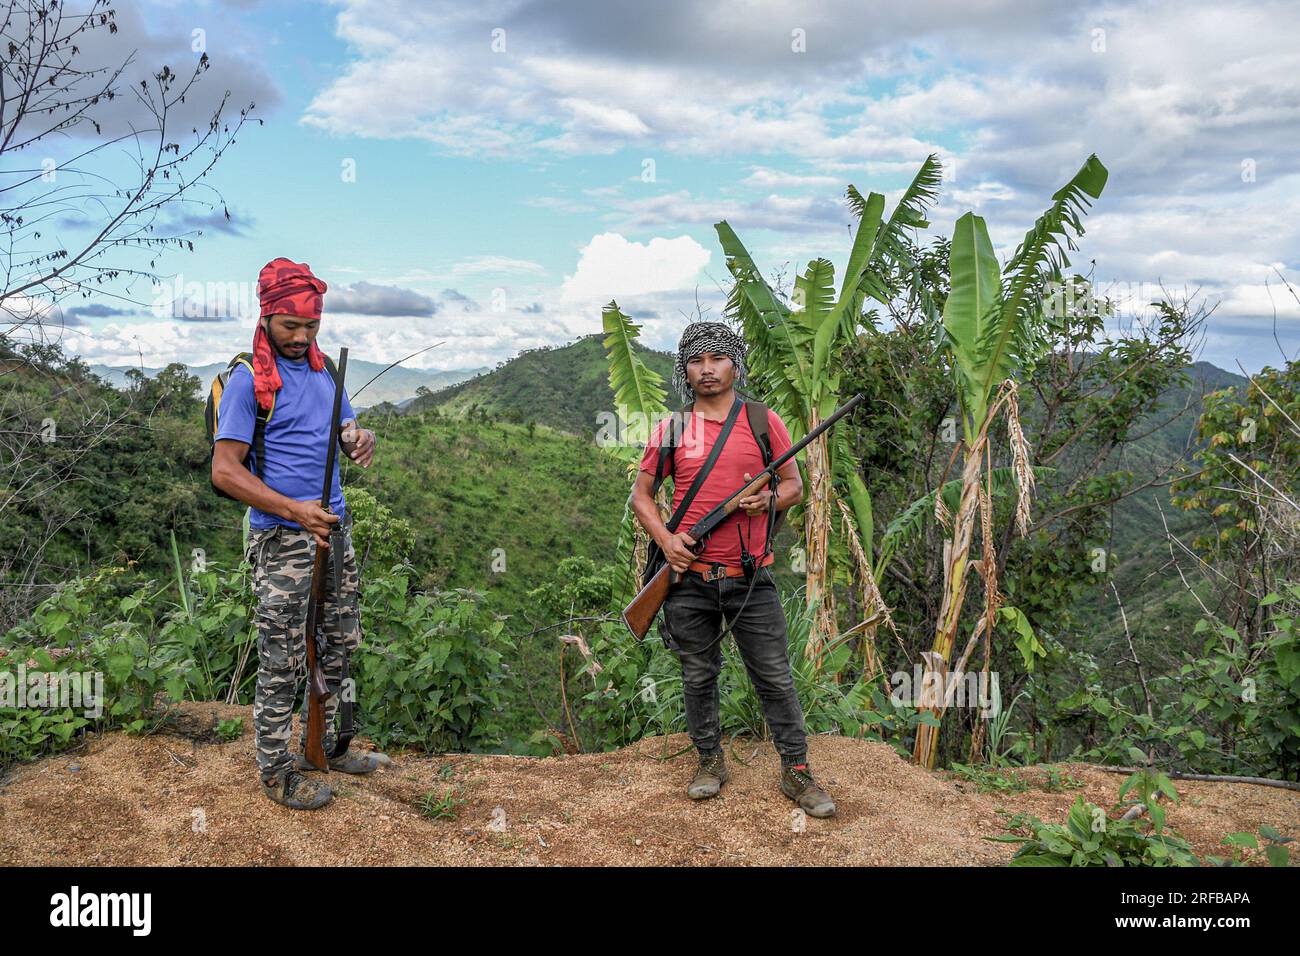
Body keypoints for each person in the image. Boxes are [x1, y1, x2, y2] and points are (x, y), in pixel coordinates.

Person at [628, 322, 836, 818]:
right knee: (698, 674)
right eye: (697, 361)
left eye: (717, 359)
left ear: (734, 365)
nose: (707, 369)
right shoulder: (673, 428)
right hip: (689, 579)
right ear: (686, 369)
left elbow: (794, 487)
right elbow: (642, 496)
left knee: (774, 676)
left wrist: (765, 501)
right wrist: (669, 541)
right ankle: (708, 762)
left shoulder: (764, 422)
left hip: (750, 578)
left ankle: (797, 771)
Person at [211, 257, 383, 810]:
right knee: (283, 653)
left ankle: (326, 746)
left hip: (333, 528)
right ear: (266, 318)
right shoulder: (247, 381)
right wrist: (292, 509)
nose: (302, 336)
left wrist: (359, 439)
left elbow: (344, 428)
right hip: (282, 538)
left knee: (338, 643)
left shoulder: (325, 369)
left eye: (311, 325)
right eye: (291, 325)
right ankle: (275, 771)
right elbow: (225, 470)